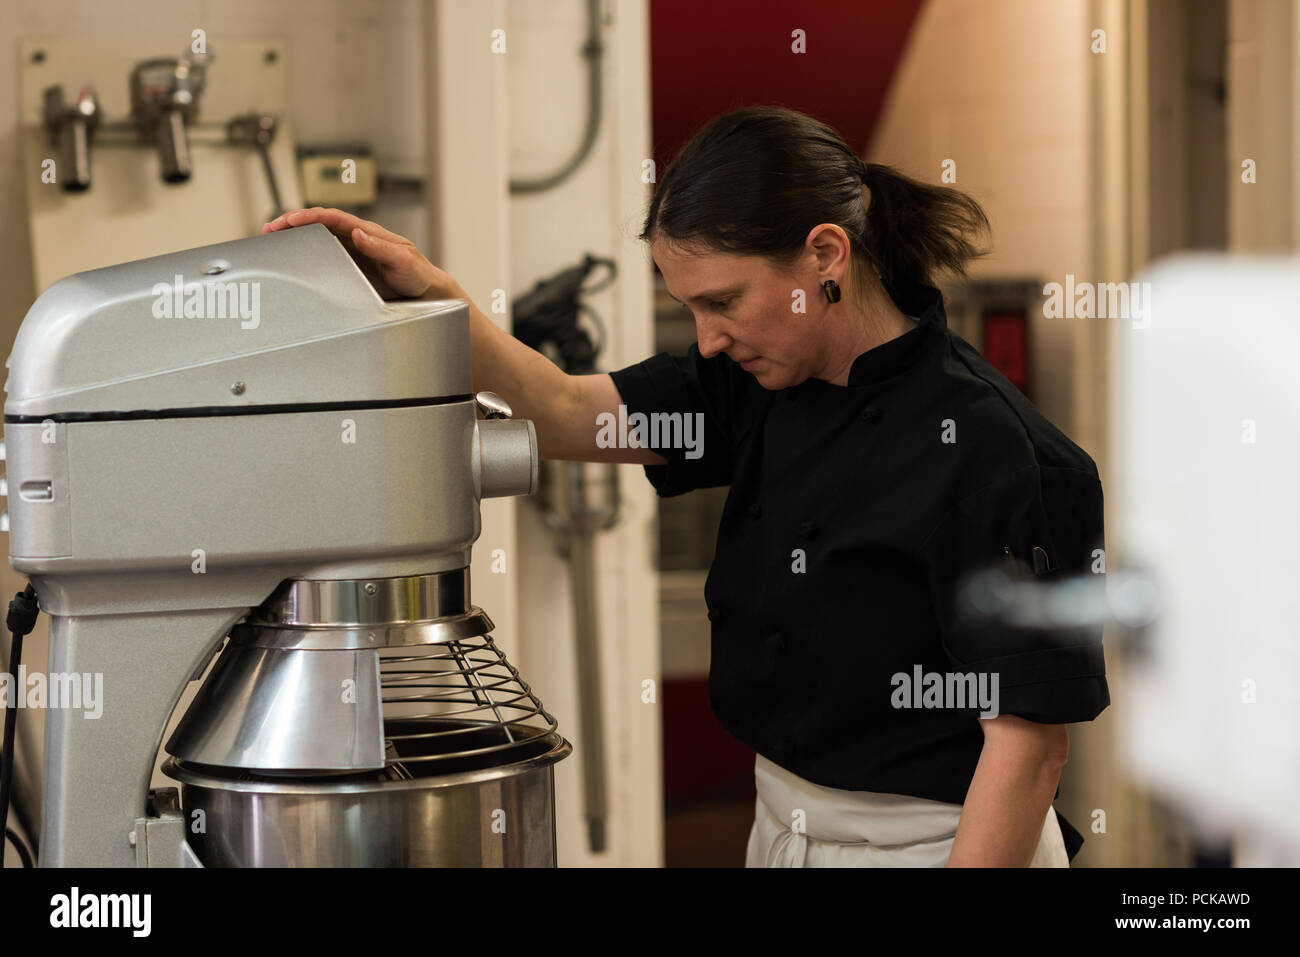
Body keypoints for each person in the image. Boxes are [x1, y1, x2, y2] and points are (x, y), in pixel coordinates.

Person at [263, 105, 1109, 867]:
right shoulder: (758, 386)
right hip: (784, 829)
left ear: (824, 254)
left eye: (723, 302)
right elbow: (563, 409)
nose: (706, 340)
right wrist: (438, 302)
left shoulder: (1000, 451)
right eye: (690, 308)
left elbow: (1028, 753)